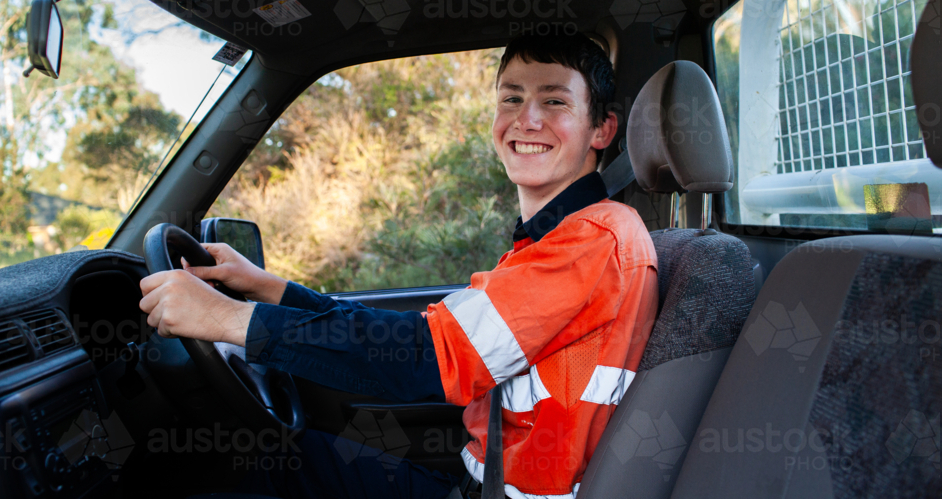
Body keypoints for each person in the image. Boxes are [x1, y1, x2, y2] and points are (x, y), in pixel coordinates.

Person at [139, 34, 659, 499]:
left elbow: (423, 356)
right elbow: (427, 335)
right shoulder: (557, 240)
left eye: (554, 101)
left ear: (602, 129)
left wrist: (225, 318)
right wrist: (268, 288)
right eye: (512, 98)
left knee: (252, 470)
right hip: (482, 483)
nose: (527, 119)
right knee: (284, 456)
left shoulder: (594, 238)